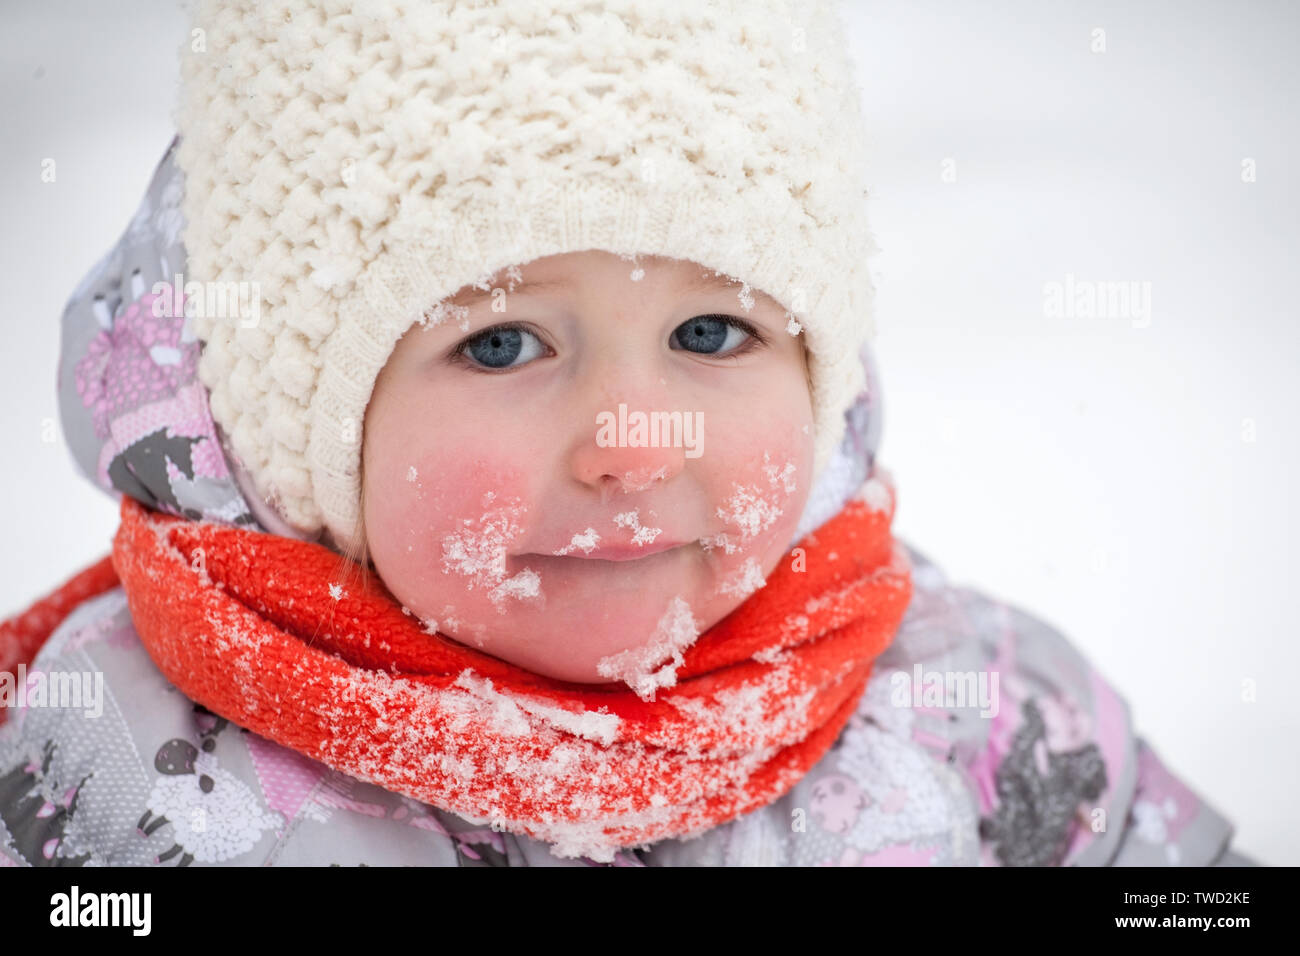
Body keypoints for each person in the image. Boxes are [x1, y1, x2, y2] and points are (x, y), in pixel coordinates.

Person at [0, 0, 1255, 867]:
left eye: (712, 334)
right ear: (282, 433)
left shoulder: (973, 717)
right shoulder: (112, 779)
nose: (633, 443)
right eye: (501, 343)